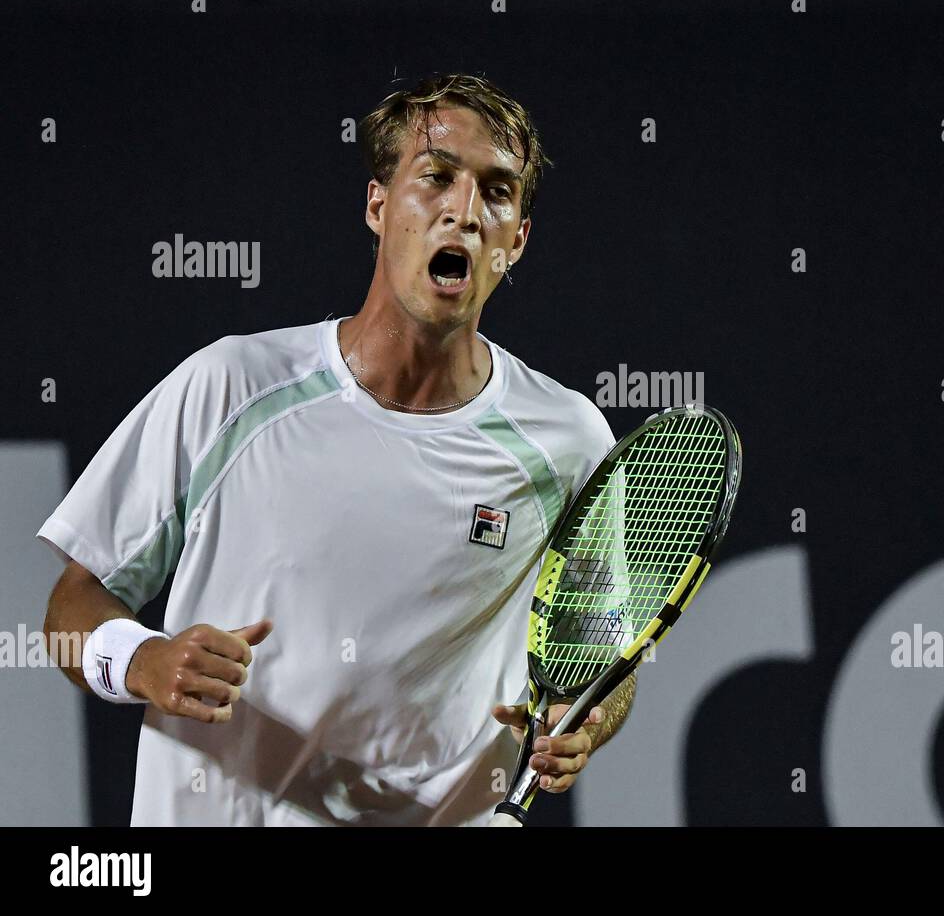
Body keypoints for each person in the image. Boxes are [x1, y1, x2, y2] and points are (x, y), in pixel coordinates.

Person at [37, 73, 635, 826]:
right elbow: (70, 608)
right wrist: (143, 662)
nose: (464, 212)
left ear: (516, 239)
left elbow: (608, 658)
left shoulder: (566, 440)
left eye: (497, 192)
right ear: (379, 206)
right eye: (437, 179)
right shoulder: (229, 387)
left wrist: (586, 723)